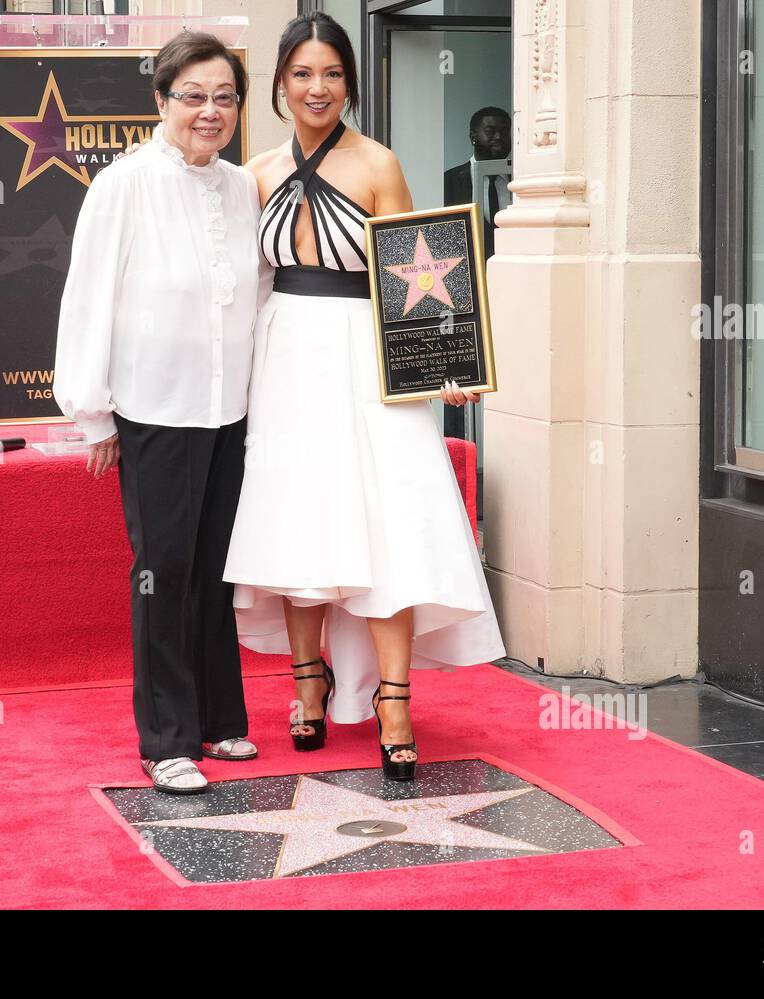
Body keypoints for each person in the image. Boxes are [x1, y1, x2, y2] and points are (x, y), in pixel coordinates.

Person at [224, 12, 506, 781]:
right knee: (300, 522)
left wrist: (447, 360)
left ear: (350, 83)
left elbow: (420, 273)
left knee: (393, 522)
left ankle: (394, 700)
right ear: (280, 84)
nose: (319, 88)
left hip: (371, 362)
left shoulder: (379, 163)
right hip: (286, 357)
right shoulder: (251, 174)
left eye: (333, 74)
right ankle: (307, 687)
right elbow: (240, 287)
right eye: (303, 74)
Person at [54, 32, 262, 795]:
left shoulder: (242, 187)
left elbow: (259, 297)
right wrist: (95, 413)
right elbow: (89, 297)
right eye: (194, 96)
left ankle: (218, 718)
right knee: (162, 570)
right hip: (156, 408)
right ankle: (167, 737)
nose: (210, 112)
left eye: (225, 98)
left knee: (215, 569)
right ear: (162, 100)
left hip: (227, 409)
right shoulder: (124, 184)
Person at [443, 106, 512, 257]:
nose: (499, 137)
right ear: (473, 137)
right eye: (490, 131)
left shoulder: (522, 182)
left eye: (505, 132)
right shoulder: (449, 181)